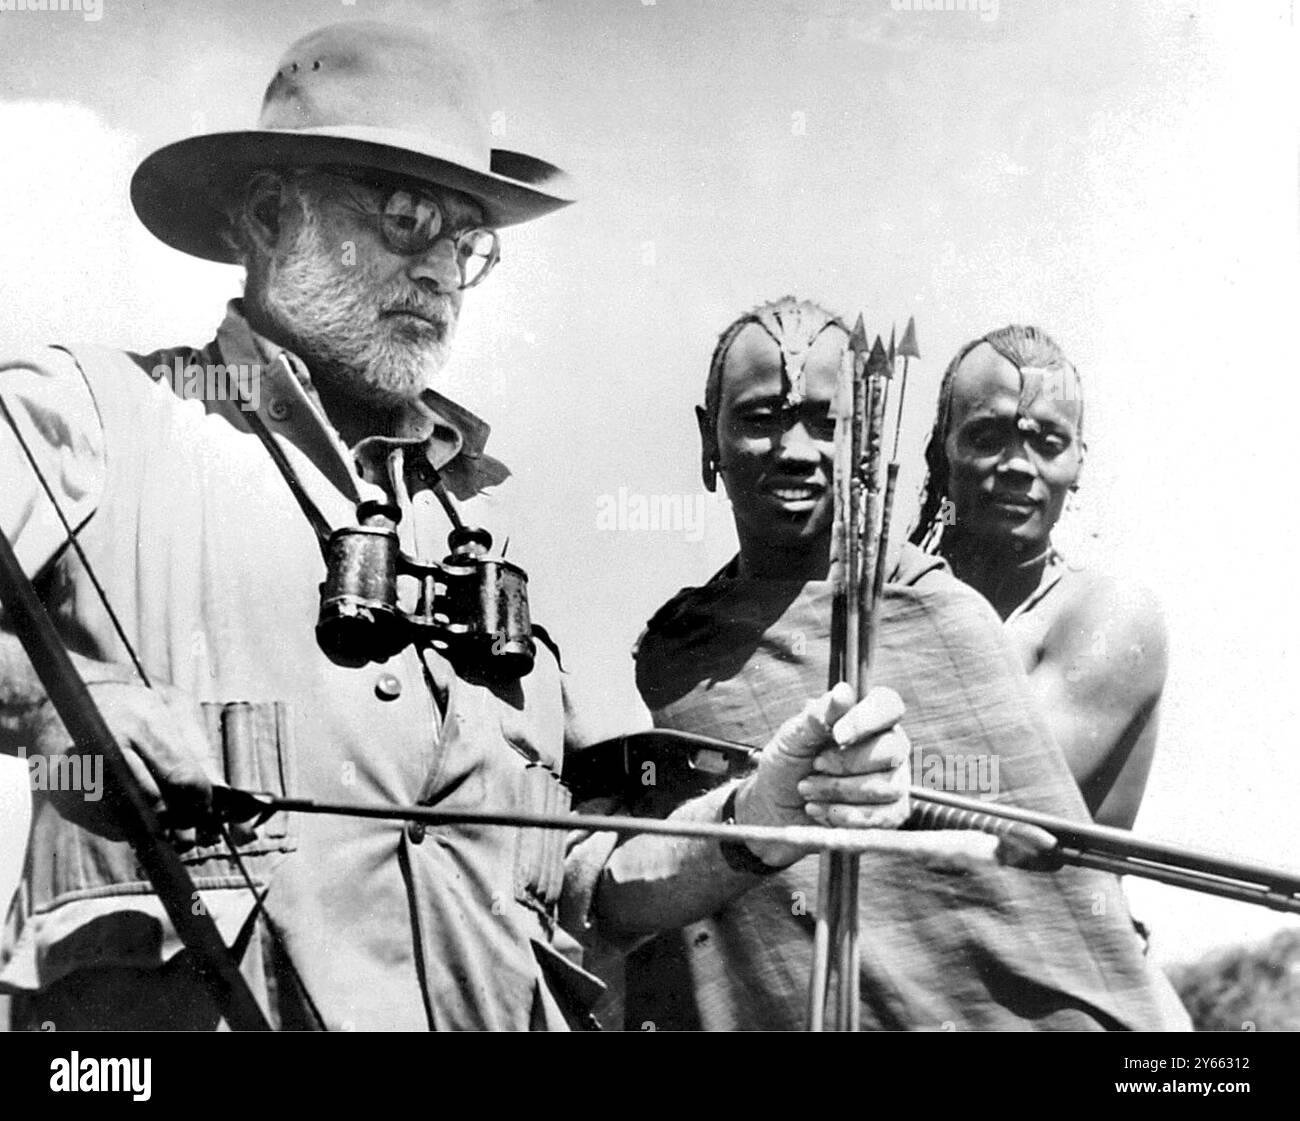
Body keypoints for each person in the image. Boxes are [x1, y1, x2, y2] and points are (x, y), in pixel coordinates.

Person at [0, 23, 916, 1033]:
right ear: (269, 214)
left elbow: (585, 879)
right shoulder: (97, 418)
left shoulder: (488, 524)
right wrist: (59, 708)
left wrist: (758, 820)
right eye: (403, 219)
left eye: (464, 241)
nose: (439, 271)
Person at [593, 297, 1189, 1030]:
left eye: (828, 422)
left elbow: (988, 826)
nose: (797, 449)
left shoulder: (971, 613)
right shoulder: (679, 645)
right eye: (758, 418)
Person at [910, 326, 1165, 829]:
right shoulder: (894, 596)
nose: (1017, 467)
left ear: (1077, 464)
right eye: (987, 437)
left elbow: (1004, 788)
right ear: (942, 451)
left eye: (1047, 444)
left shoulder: (1110, 613)